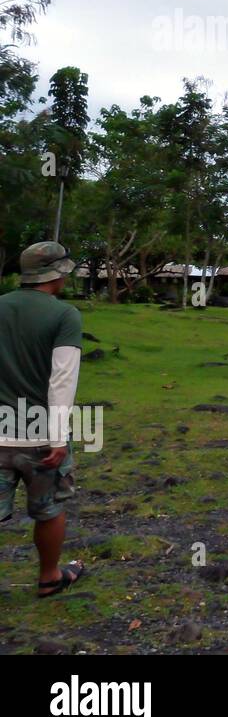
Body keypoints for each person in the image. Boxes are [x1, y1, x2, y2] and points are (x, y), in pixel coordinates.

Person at [0, 242, 86, 598]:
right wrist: (57, 437)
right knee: (48, 510)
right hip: (39, 436)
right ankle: (49, 577)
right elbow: (61, 380)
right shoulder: (64, 315)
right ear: (59, 273)